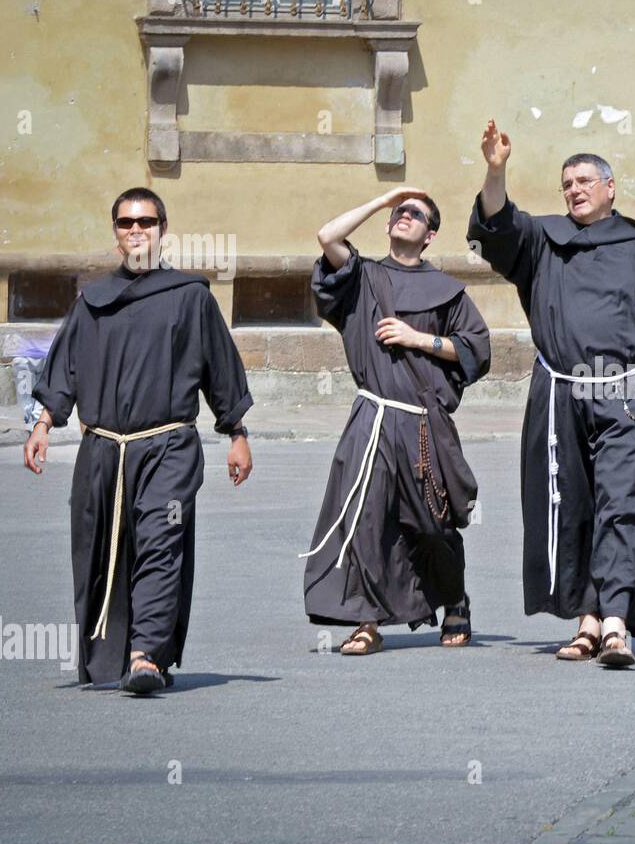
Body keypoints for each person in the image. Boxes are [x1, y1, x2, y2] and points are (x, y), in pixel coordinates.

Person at [467, 120, 635, 667]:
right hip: (561, 396)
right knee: (571, 509)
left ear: (610, 187)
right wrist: (496, 169)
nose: (574, 189)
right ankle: (587, 620)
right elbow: (495, 227)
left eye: (583, 180)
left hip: (631, 395)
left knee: (623, 506)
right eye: (566, 183)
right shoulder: (544, 241)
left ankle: (618, 624)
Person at [24, 188, 253, 693]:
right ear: (115, 234)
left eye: (146, 222)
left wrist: (236, 432)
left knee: (159, 541)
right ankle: (113, 654)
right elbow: (65, 368)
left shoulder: (190, 295)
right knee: (102, 549)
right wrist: (43, 424)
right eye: (126, 223)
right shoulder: (93, 301)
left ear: (162, 230)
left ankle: (146, 654)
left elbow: (220, 369)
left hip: (169, 445)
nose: (136, 230)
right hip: (104, 449)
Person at [301, 188, 491, 654]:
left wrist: (418, 339)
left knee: (432, 524)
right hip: (371, 416)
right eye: (399, 213)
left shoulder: (448, 290)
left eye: (416, 214)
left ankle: (455, 600)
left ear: (430, 235)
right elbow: (327, 235)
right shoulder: (361, 277)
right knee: (365, 520)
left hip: (423, 425)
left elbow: (477, 352)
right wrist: (382, 199)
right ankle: (366, 620)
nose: (405, 217)